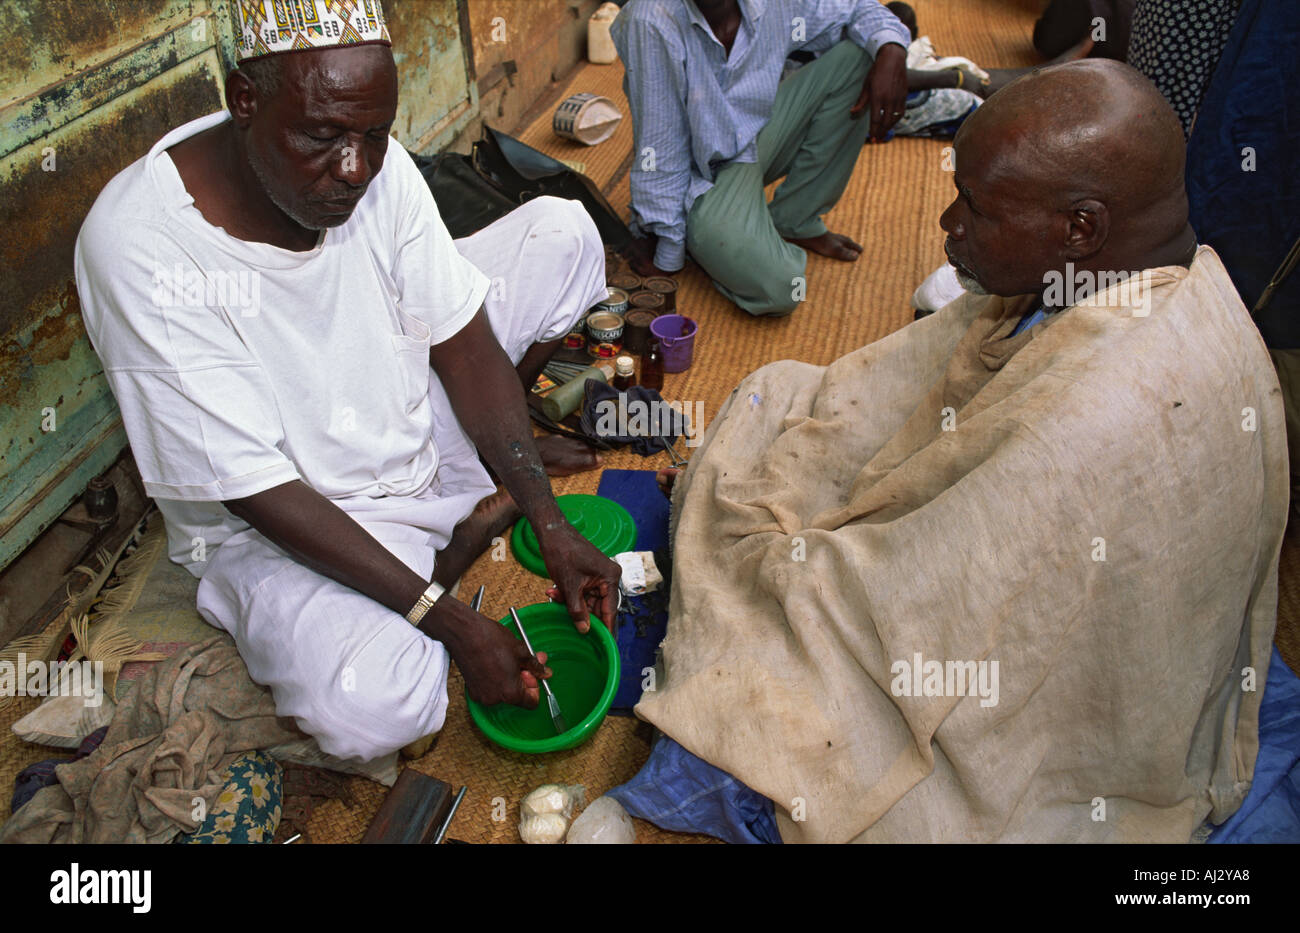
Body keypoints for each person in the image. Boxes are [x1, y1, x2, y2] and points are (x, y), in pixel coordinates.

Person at [610, 59, 1287, 843]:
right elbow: (912, 384)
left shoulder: (1091, 423)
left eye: (977, 207)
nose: (947, 225)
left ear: (1080, 229)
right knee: (780, 390)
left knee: (762, 686)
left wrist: (791, 563)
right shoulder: (1150, 273)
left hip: (1057, 702)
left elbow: (915, 603)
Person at [74, 0, 621, 762]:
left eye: (375, 134)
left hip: (403, 421)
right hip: (282, 521)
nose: (356, 169)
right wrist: (449, 620)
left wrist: (547, 519)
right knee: (377, 703)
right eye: (323, 137)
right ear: (244, 101)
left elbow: (461, 344)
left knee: (564, 232)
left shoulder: (367, 155)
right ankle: (450, 537)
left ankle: (471, 504)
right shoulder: (141, 245)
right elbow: (253, 488)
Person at [612, 0, 910, 316]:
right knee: (780, 288)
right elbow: (660, 144)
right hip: (701, 173)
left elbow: (855, 8)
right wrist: (668, 251)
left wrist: (893, 50)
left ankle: (796, 219)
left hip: (756, 133)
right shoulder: (650, 19)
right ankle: (706, 226)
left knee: (861, 57)